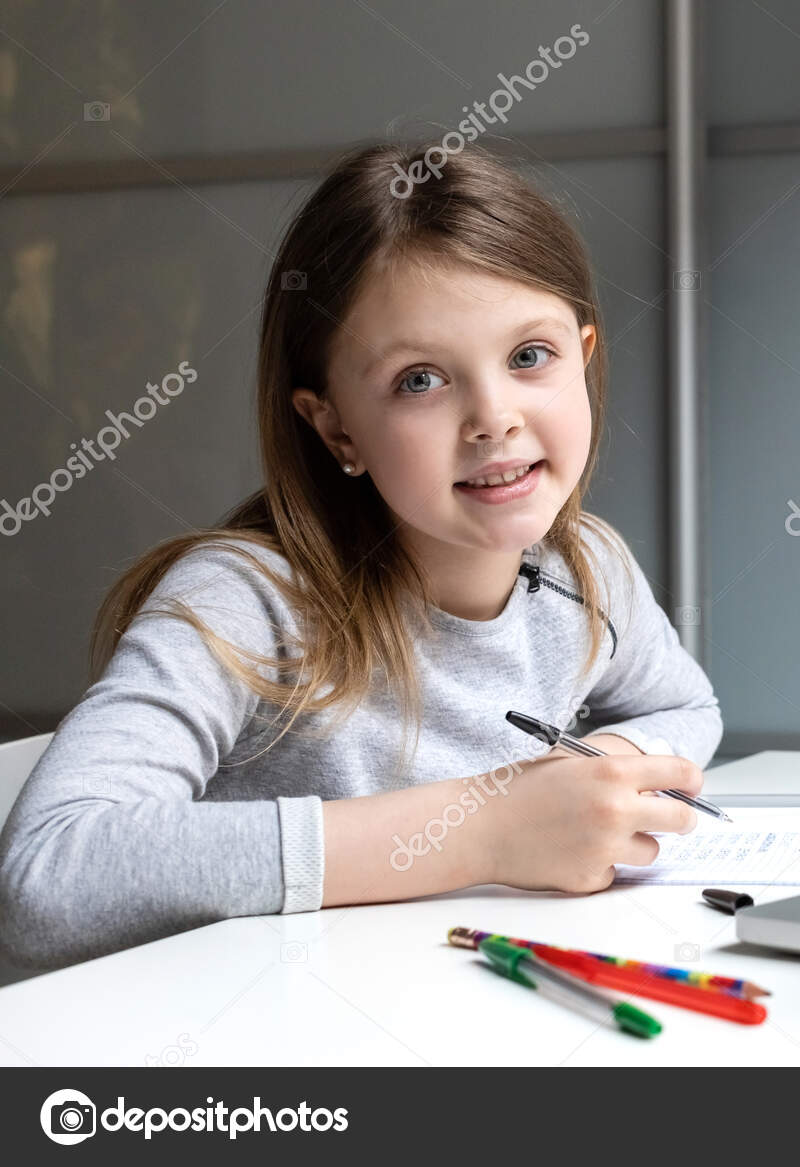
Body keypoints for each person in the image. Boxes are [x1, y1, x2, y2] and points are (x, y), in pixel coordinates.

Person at [0, 142, 721, 971]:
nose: (494, 417)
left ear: (584, 361)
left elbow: (686, 710)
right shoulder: (246, 600)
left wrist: (583, 790)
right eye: (420, 380)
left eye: (530, 357)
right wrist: (487, 827)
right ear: (336, 426)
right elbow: (49, 873)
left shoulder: (585, 566)